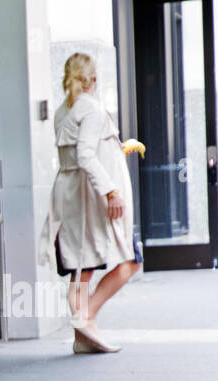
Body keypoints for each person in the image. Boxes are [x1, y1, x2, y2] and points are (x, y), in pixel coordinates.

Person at [42, 52, 142, 353]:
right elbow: (85, 154)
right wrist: (111, 192)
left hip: (73, 198)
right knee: (130, 261)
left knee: (81, 267)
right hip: (90, 200)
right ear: (94, 80)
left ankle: (83, 336)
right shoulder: (92, 110)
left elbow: (79, 154)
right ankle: (85, 319)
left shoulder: (65, 110)